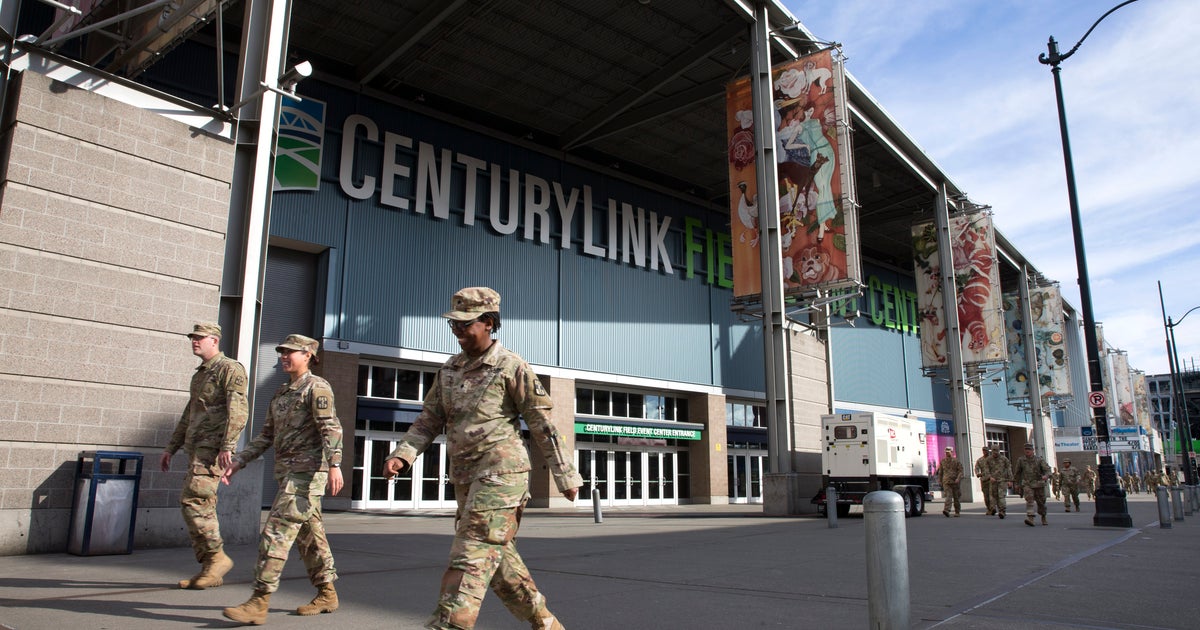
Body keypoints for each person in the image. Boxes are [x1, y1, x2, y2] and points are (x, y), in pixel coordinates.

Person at [382, 287, 583, 630]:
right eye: (454, 325)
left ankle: (448, 625)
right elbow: (429, 418)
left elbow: (542, 422)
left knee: (470, 555)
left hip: (501, 473)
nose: (458, 332)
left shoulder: (510, 366)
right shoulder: (450, 369)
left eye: (465, 324)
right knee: (497, 559)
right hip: (465, 476)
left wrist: (565, 475)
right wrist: (404, 454)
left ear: (489, 323)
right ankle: (545, 623)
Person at [221, 334, 344, 625]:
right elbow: (266, 435)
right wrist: (240, 459)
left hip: (305, 477)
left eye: (290, 352)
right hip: (287, 475)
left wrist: (335, 465)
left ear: (308, 355)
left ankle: (258, 601)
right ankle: (327, 593)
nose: (284, 357)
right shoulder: (281, 393)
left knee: (275, 534)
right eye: (282, 352)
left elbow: (331, 428)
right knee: (310, 539)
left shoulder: (317, 388)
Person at [160, 323, 248, 590]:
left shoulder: (229, 369)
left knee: (193, 500)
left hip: (212, 451)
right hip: (196, 449)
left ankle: (216, 558)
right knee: (200, 504)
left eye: (199, 338)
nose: (194, 342)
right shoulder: (200, 375)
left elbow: (239, 410)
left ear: (214, 340)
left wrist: (227, 446)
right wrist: (170, 447)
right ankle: (211, 568)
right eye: (192, 338)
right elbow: (190, 414)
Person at [1012, 443, 1051, 527]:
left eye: (1029, 449)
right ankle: (1031, 518)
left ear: (1033, 450)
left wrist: (1046, 476)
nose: (1027, 451)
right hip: (1027, 484)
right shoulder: (1021, 460)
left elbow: (1047, 469)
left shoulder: (1039, 460)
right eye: (1026, 449)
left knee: (1041, 502)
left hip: (1039, 484)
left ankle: (1043, 516)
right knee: (1029, 500)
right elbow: (1017, 473)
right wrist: (1016, 483)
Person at [938, 447, 964, 517]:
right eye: (946, 452)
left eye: (948, 452)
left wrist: (958, 478)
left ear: (952, 452)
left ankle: (957, 511)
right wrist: (940, 480)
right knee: (948, 496)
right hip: (946, 481)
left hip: (955, 482)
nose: (947, 453)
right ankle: (947, 510)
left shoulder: (956, 461)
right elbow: (940, 472)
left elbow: (960, 471)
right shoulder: (943, 461)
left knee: (956, 497)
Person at [987, 445, 1011, 519]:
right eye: (993, 451)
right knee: (993, 496)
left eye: (996, 451)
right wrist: (990, 477)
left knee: (1001, 496)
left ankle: (1002, 511)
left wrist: (1010, 480)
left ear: (999, 451)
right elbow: (986, 470)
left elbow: (1009, 469)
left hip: (1002, 480)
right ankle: (993, 508)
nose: (995, 453)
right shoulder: (988, 459)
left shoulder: (1004, 459)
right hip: (993, 481)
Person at [974, 446, 994, 516]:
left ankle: (993, 508)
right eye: (984, 450)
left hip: (991, 479)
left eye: (986, 450)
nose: (985, 452)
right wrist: (978, 473)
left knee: (992, 495)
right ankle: (989, 508)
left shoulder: (992, 459)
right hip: (984, 480)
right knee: (986, 496)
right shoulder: (980, 460)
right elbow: (976, 468)